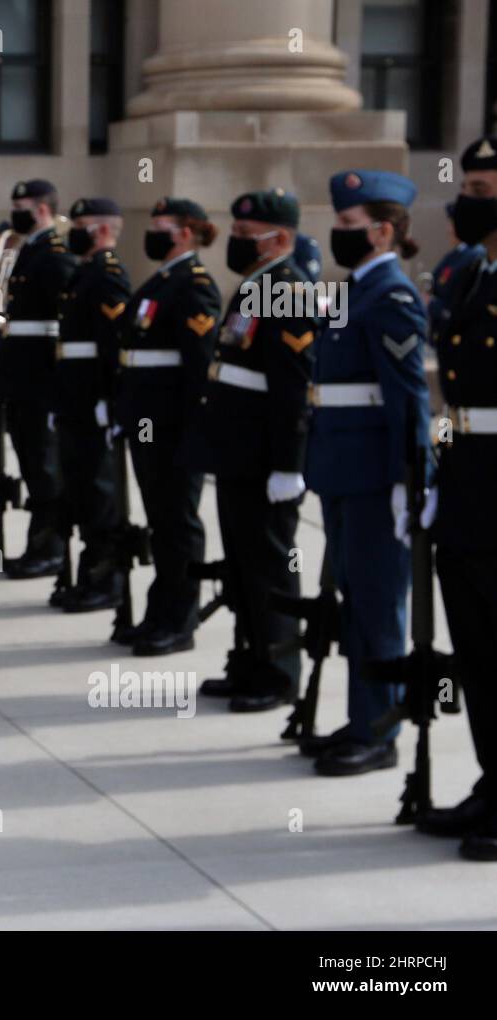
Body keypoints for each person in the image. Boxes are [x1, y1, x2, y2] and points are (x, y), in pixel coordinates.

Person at [304, 168, 433, 777]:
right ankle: (362, 718)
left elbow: (409, 401)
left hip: (378, 479)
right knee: (355, 601)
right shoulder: (351, 291)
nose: (337, 232)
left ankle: (378, 732)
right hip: (342, 471)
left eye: (349, 225)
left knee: (379, 605)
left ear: (383, 232)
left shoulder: (393, 297)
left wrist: (413, 481)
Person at [194, 189, 317, 710]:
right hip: (238, 453)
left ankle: (279, 670)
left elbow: (294, 388)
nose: (237, 243)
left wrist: (288, 465)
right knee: (243, 564)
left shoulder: (287, 291)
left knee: (269, 564)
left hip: (265, 458)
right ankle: (247, 659)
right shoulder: (256, 286)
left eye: (247, 237)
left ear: (280, 239)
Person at [417, 136, 497, 858]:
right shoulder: (473, 276)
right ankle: (490, 782)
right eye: (468, 188)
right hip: (471, 472)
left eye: (481, 190)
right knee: (475, 647)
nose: (466, 202)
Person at [112, 198, 222, 655]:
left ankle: (180, 619)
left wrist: (194, 431)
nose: (152, 233)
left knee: (178, 523)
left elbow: (199, 371)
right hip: (146, 425)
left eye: (161, 226)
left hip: (172, 427)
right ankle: (160, 611)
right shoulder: (159, 282)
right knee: (161, 522)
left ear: (185, 232)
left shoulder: (193, 285)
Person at [50, 196, 131, 612]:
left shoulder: (108, 275)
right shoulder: (84, 273)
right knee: (78, 490)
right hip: (73, 399)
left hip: (91, 401)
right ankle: (89, 572)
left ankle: (107, 578)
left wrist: (108, 399)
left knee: (100, 493)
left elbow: (114, 344)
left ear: (101, 230)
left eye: (80, 224)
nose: (72, 232)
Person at [0, 179, 78, 579]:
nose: (16, 210)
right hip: (22, 378)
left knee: (45, 468)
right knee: (32, 464)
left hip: (42, 379)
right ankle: (39, 543)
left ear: (43, 209)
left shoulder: (57, 253)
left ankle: (51, 547)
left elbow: (65, 325)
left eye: (22, 204)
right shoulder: (29, 249)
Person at [426, 200, 485, 335]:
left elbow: (462, 305)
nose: (449, 230)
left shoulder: (474, 256)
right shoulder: (458, 254)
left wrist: (432, 304)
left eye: (453, 224)